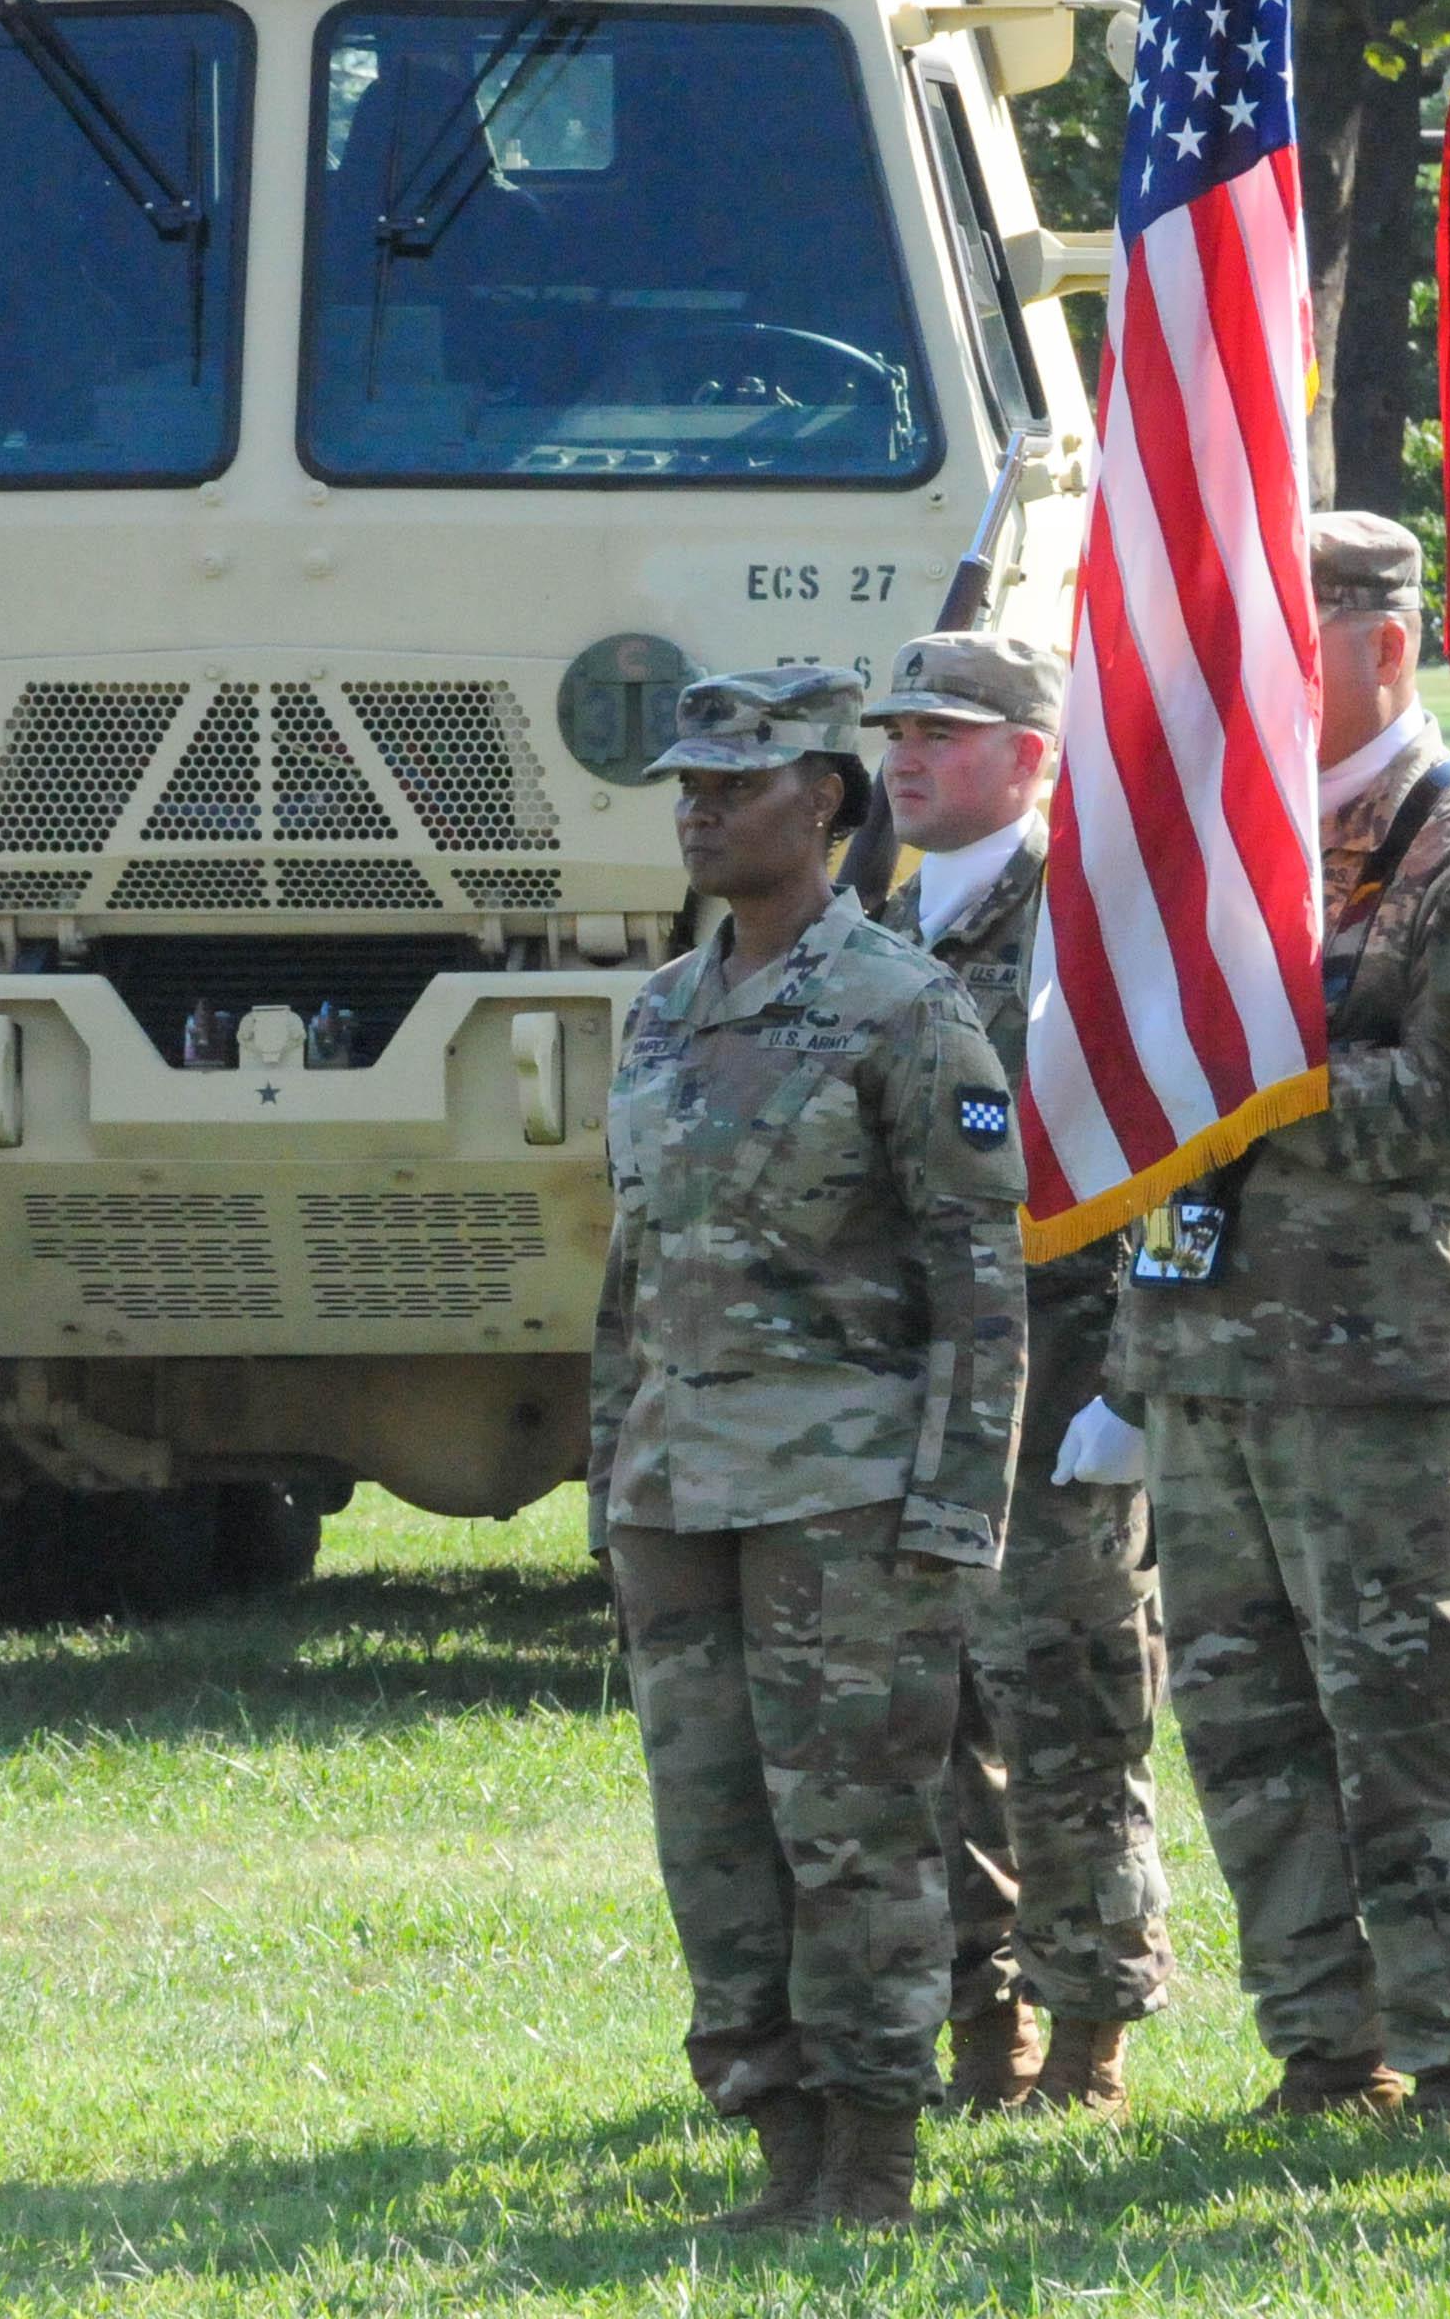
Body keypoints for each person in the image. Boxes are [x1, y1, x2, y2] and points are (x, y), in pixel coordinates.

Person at [1106, 511, 1450, 2131]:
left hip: (1380, 1376)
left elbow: (1440, 1102)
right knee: (1242, 1723)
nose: (1252, 690)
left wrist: (1244, 1077)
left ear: (1378, 647)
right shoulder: (1222, 844)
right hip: (1207, 1356)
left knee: (1403, 1720)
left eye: (1284, 655)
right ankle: (1317, 2045)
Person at [590, 665, 1030, 2235]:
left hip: (843, 1503)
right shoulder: (661, 1008)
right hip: (676, 1493)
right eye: (688, 788)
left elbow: (981, 1284)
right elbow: (630, 1280)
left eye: (737, 783)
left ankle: (876, 2157)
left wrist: (955, 1509)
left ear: (827, 805)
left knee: (855, 1842)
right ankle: (778, 2144)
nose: (700, 809)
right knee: (713, 1841)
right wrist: (609, 1490)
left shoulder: (903, 1008)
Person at [859, 629, 1173, 2118]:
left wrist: (1134, 1384)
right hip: (911, 1391)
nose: (907, 757)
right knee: (927, 1730)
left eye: (946, 732)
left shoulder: (1091, 935)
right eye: (898, 733)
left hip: (1056, 1380)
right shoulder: (881, 934)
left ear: (1037, 757)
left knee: (1068, 1715)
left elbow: (1156, 1163)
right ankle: (980, 2031)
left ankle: (1091, 2034)